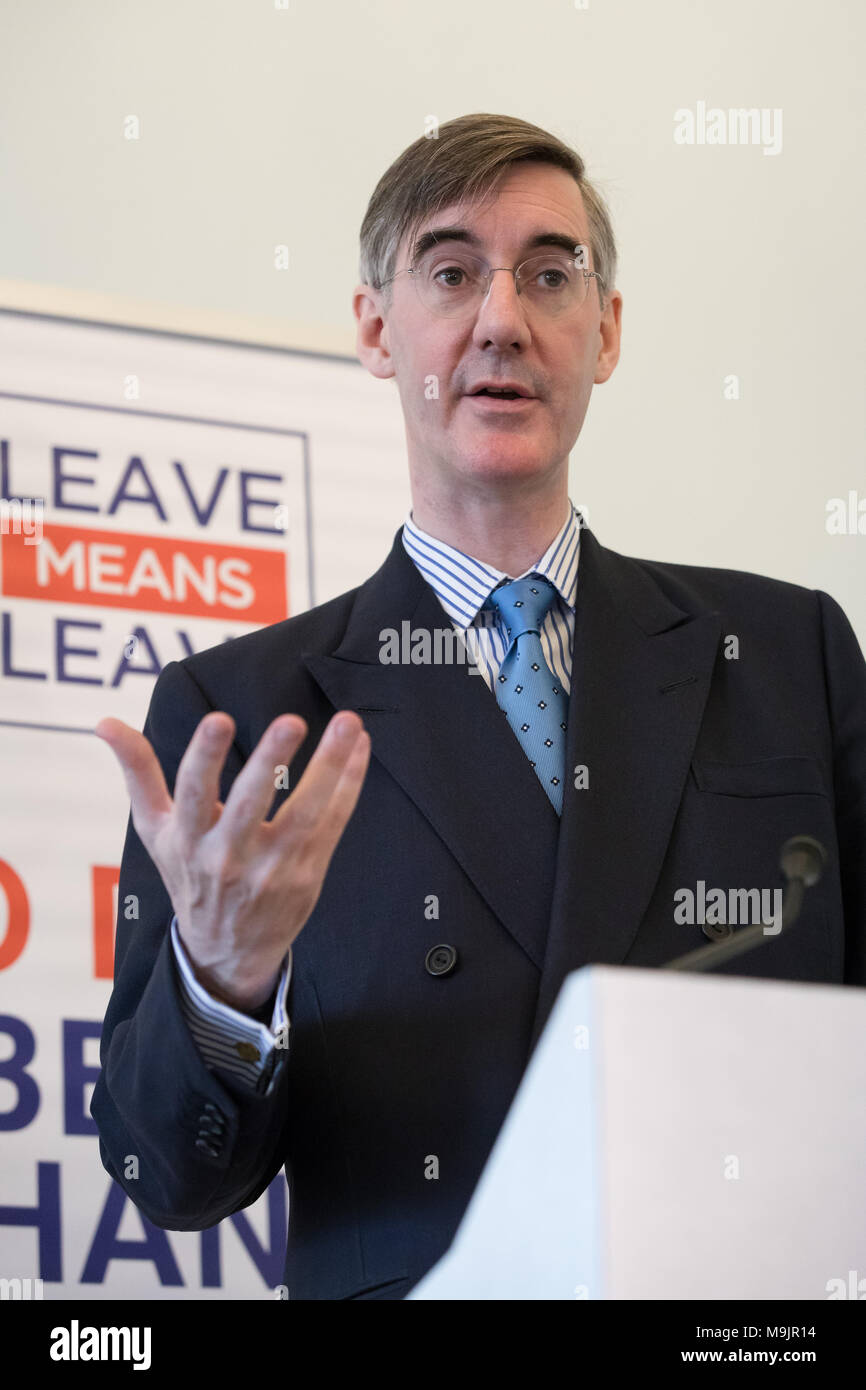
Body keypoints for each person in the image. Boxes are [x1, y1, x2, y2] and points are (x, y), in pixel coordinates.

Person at [91, 113, 866, 1301]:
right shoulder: (237, 714)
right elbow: (165, 1176)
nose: (501, 317)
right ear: (374, 328)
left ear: (602, 333)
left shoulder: (785, 651)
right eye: (450, 272)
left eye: (549, 274)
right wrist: (220, 980)